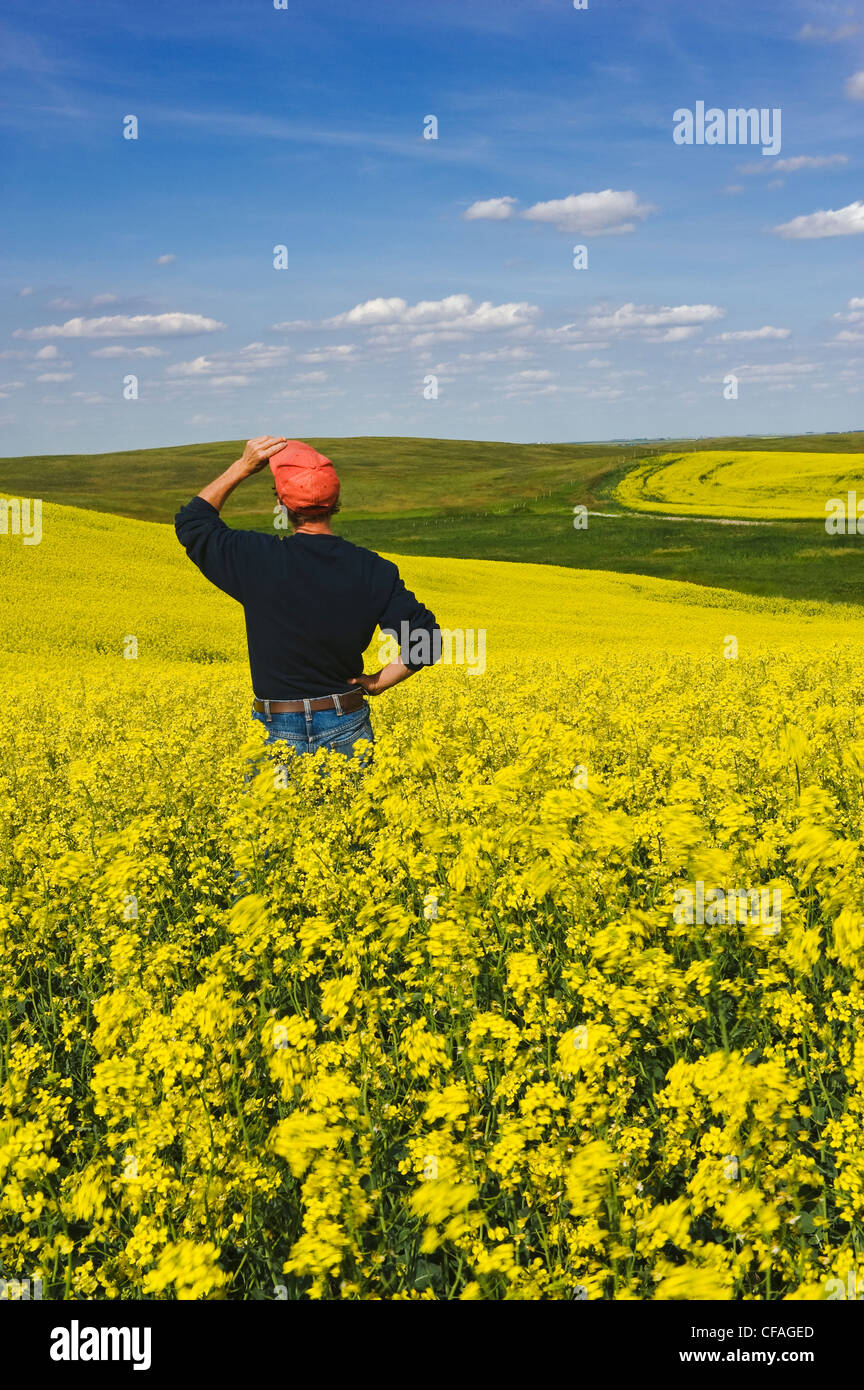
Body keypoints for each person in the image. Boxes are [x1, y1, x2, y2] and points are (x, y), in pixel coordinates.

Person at [174, 435, 441, 762]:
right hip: (346, 723)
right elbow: (427, 641)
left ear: (283, 505)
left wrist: (243, 467)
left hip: (275, 728)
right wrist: (377, 682)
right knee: (348, 814)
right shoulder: (373, 569)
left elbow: (193, 522)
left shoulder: (257, 559)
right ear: (335, 502)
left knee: (271, 815)